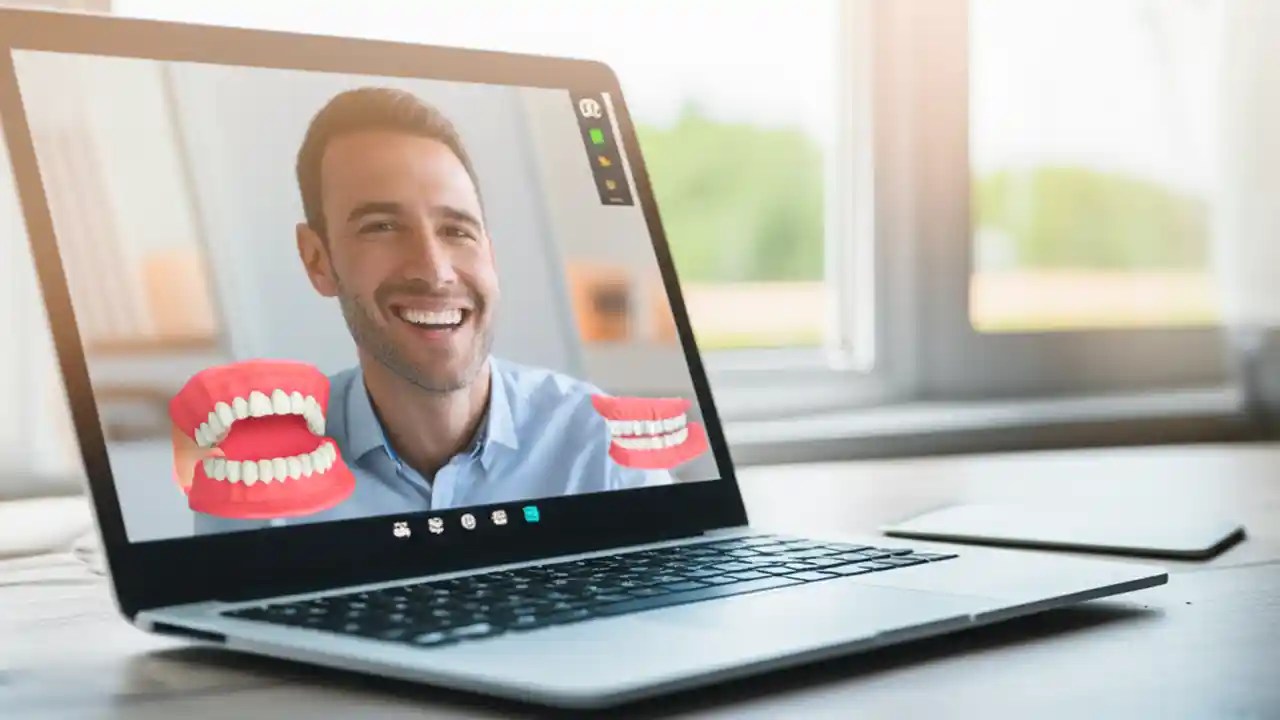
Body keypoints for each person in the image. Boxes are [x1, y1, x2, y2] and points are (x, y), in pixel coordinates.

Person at [194, 87, 669, 534]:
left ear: (490, 254)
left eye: (456, 231)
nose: (435, 271)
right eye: (382, 227)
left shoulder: (603, 449)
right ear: (318, 260)